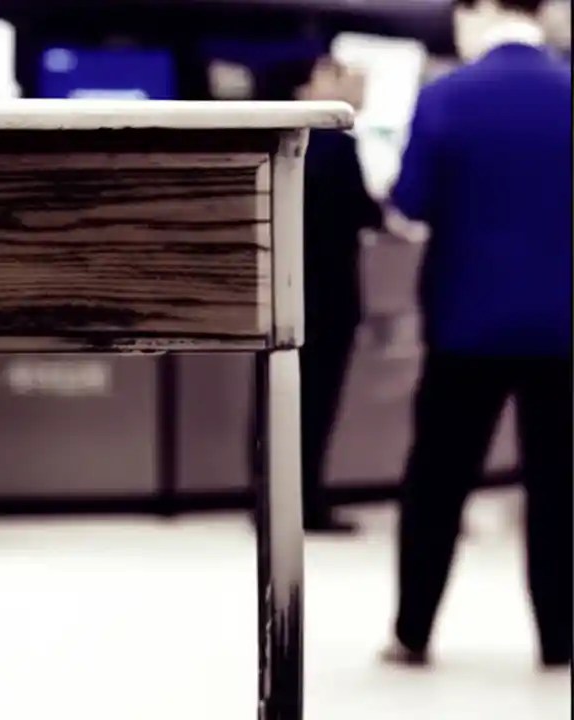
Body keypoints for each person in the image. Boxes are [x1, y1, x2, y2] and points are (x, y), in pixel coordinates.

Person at [381, 0, 571, 668]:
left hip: (466, 324)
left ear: (481, 10)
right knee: (559, 487)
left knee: (437, 479)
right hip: (564, 326)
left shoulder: (447, 96)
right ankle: (560, 638)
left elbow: (410, 203)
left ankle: (414, 630)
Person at [256, 55, 381, 534]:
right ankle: (305, 503)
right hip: (328, 299)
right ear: (305, 87)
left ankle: (270, 501)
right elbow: (365, 213)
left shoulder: (270, 145)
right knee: (314, 404)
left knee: (276, 402)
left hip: (278, 293)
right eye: (334, 74)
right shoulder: (335, 147)